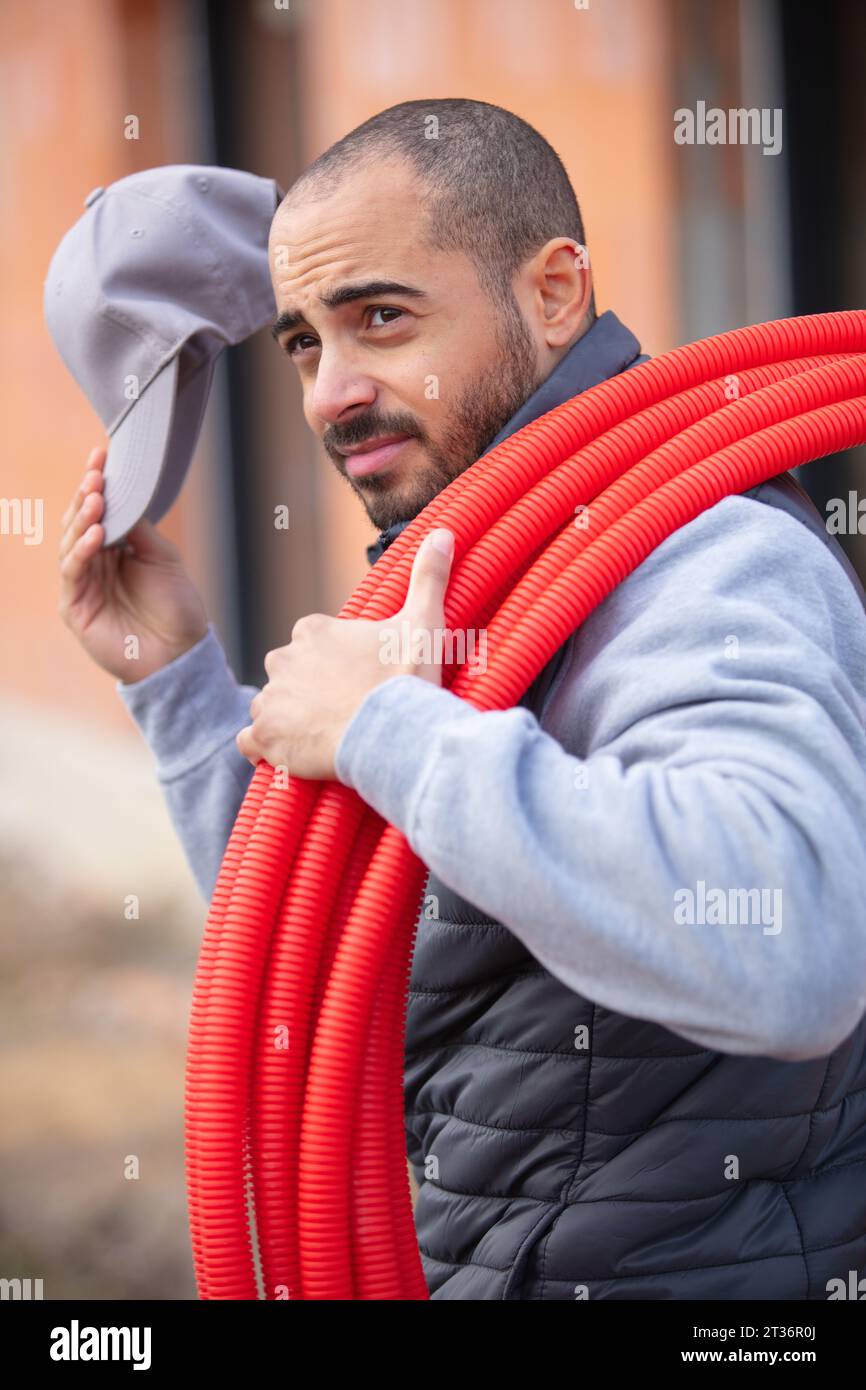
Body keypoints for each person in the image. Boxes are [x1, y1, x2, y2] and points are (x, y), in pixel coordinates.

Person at [58, 98, 866, 1300]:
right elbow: (354, 936)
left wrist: (387, 730)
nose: (330, 391)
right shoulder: (477, 557)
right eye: (301, 344)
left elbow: (789, 942)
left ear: (551, 293)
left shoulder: (697, 558)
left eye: (380, 318)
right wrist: (179, 682)